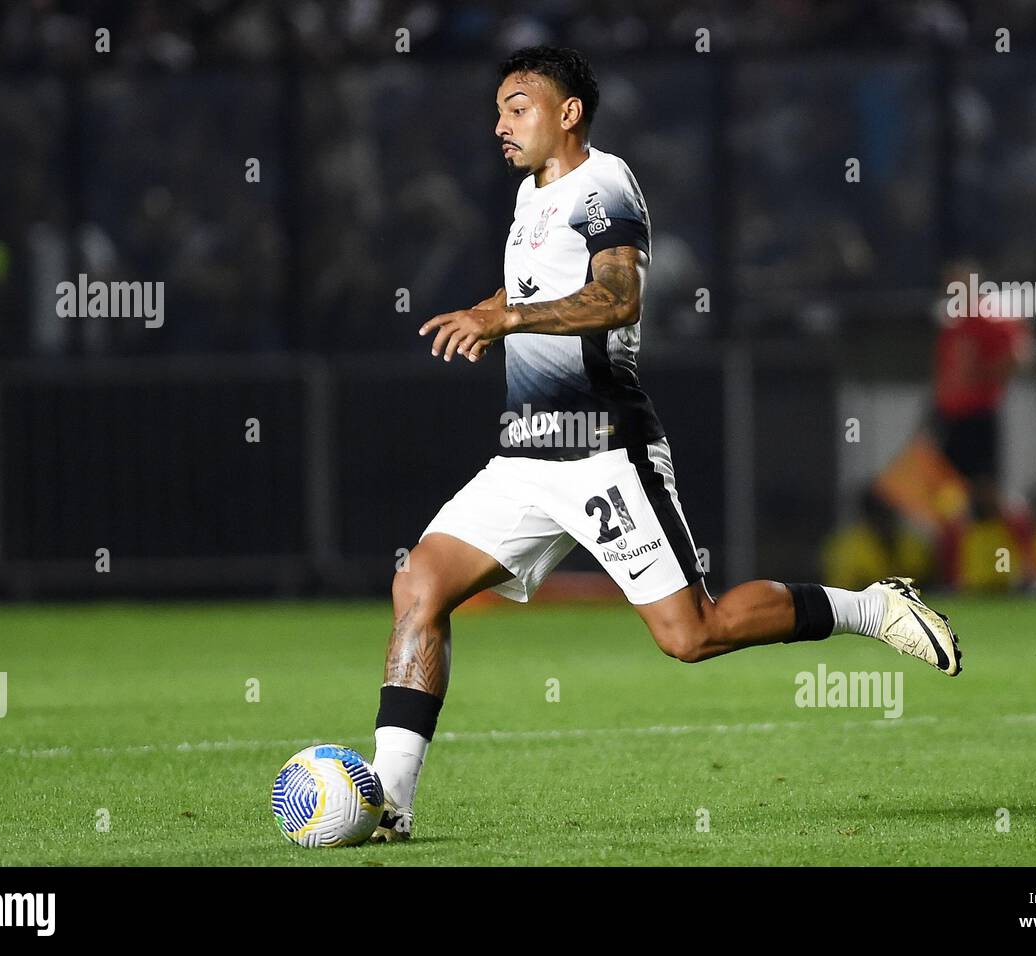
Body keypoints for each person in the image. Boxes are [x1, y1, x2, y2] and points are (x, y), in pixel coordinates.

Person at [367, 46, 962, 842]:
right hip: (522, 458)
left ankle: (869, 606)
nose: (499, 124)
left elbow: (617, 297)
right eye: (499, 110)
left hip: (604, 453)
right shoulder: (528, 195)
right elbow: (533, 286)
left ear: (567, 112)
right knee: (420, 587)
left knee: (693, 634)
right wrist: (488, 310)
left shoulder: (605, 182)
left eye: (517, 107)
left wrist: (506, 321)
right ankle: (390, 806)